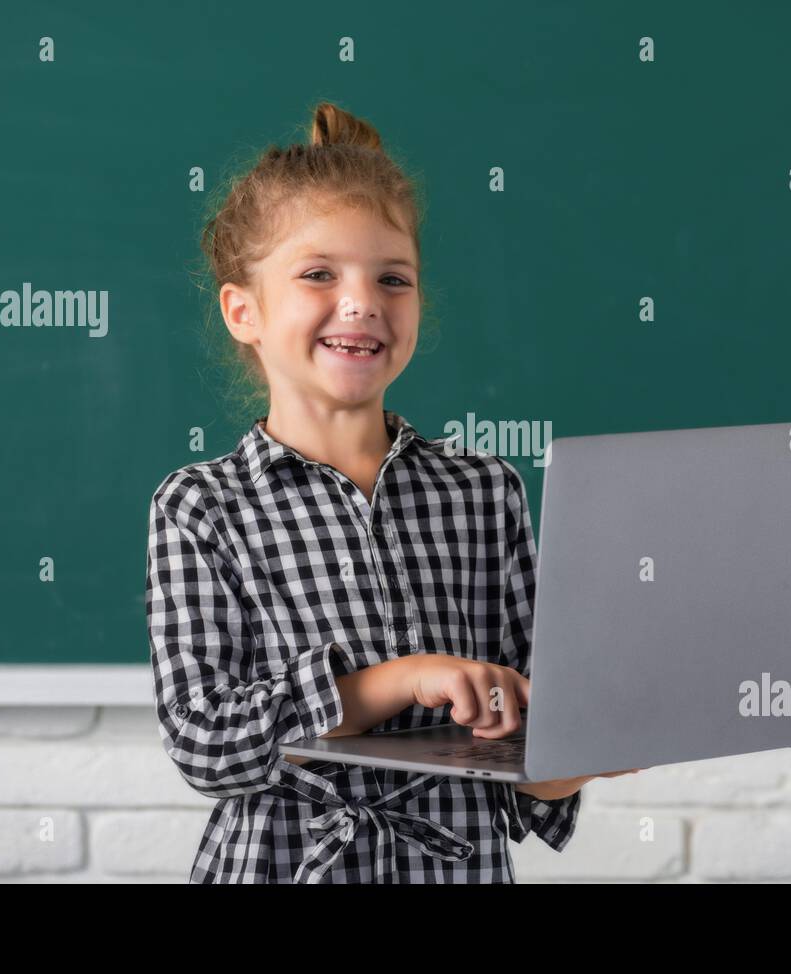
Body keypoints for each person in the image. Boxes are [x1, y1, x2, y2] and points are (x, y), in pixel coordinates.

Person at [145, 100, 640, 883]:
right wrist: (402, 678)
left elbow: (524, 770)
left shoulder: (486, 492)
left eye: (393, 278)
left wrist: (589, 750)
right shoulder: (202, 506)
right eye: (318, 274)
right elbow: (206, 744)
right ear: (244, 311)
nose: (363, 301)